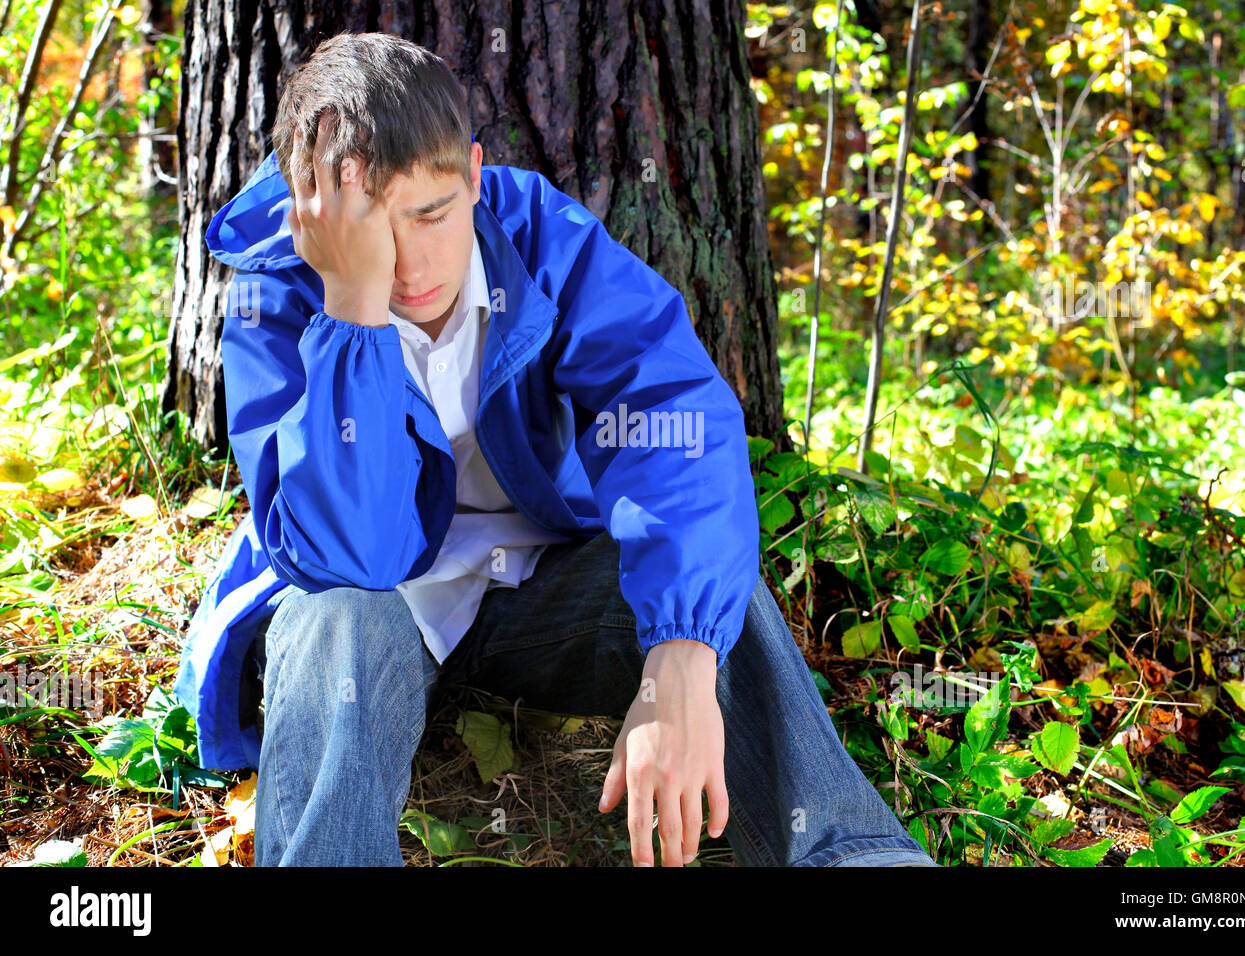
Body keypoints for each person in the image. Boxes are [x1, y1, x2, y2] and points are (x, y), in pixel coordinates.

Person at [175, 30, 938, 868]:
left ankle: (849, 853)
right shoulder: (277, 292)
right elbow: (349, 553)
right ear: (312, 215)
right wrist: (351, 309)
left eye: (431, 214)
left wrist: (679, 661)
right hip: (376, 605)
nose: (409, 262)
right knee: (333, 620)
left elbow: (668, 411)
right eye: (372, 234)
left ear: (470, 173)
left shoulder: (538, 236)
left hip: (539, 588)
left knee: (713, 590)